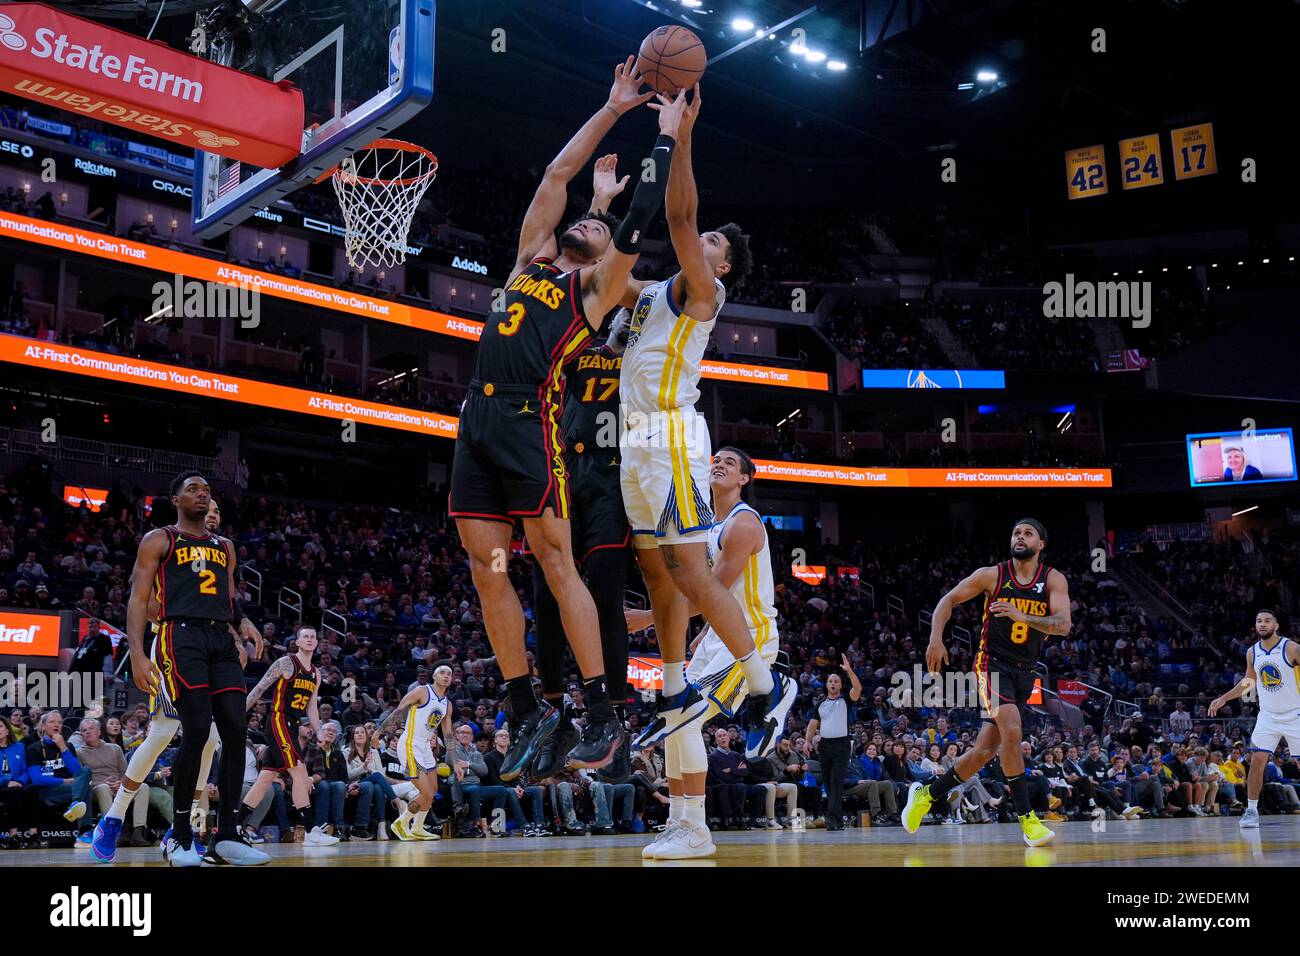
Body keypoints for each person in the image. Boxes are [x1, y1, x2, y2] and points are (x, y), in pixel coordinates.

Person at [448, 57, 671, 780]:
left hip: (527, 421)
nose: (581, 223)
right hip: (475, 422)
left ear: (607, 261)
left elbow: (634, 226)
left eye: (593, 228)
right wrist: (612, 108)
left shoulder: (594, 296)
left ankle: (605, 715)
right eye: (581, 223)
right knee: (488, 571)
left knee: (553, 559)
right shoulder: (525, 267)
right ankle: (529, 712)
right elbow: (553, 177)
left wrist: (662, 141)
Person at [615, 88, 788, 782]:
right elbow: (603, 279)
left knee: (686, 569)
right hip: (633, 439)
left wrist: (678, 134)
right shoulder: (659, 293)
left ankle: (765, 692)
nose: (700, 240)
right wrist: (601, 209)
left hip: (668, 434)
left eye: (711, 244)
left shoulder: (705, 293)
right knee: (658, 570)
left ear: (718, 267)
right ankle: (680, 680)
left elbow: (679, 213)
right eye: (704, 238)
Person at [627, 447, 795, 858]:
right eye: (715, 459)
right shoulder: (705, 525)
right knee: (673, 719)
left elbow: (713, 591)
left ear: (744, 479)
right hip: (716, 638)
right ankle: (680, 821)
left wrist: (650, 616)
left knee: (686, 717)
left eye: (731, 463)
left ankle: (696, 827)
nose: (718, 464)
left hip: (749, 639)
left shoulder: (743, 523)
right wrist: (701, 635)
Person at [529, 161, 636, 782]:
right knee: (546, 590)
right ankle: (549, 712)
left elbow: (620, 269)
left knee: (603, 589)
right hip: (563, 465)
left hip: (613, 476)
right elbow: (564, 255)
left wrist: (603, 212)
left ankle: (612, 718)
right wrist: (595, 203)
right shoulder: (570, 318)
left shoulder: (637, 337)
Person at [904, 519, 1071, 846]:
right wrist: (936, 638)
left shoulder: (1053, 579)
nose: (1019, 537)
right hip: (992, 665)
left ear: (1041, 544)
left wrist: (1023, 616)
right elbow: (947, 600)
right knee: (1012, 730)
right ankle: (1028, 820)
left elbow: (1063, 625)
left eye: (1027, 533)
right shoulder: (992, 575)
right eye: (1016, 533)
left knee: (982, 753)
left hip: (1026, 670)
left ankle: (926, 794)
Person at [126, 474, 265, 866]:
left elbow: (226, 594)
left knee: (236, 731)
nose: (202, 494)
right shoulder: (159, 539)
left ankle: (227, 836)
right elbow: (138, 601)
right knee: (198, 728)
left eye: (206, 490)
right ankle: (180, 835)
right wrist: (138, 652)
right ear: (175, 499)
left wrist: (242, 622)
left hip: (220, 638)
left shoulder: (226, 546)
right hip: (179, 635)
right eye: (193, 489)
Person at [92, 498, 229, 865]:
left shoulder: (220, 556)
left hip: (208, 650)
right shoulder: (167, 546)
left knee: (210, 739)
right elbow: (145, 603)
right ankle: (113, 817)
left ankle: (186, 828)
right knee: (163, 734)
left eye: (218, 512)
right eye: (208, 510)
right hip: (171, 647)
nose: (212, 515)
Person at [238, 626, 329, 845]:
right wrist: (238, 711)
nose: (309, 639)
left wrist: (318, 731)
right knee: (298, 771)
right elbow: (260, 688)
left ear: (316, 643)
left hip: (294, 724)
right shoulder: (286, 662)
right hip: (278, 720)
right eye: (305, 636)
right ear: (297, 642)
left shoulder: (316, 674)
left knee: (265, 779)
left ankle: (236, 826)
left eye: (312, 637)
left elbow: (312, 709)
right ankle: (310, 831)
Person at [1209, 609, 1300, 828]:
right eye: (1259, 620)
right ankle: (1251, 811)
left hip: (1295, 714)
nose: (1262, 624)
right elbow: (1248, 682)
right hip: (1267, 716)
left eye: (1267, 621)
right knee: (1257, 759)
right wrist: (1223, 698)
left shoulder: (1292, 648)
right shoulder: (1252, 652)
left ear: (1276, 625)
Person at [380, 663, 452, 841]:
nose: (446, 676)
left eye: (449, 673)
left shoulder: (447, 704)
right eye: (442, 672)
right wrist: (378, 732)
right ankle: (401, 823)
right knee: (426, 792)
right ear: (434, 676)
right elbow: (399, 711)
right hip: (410, 743)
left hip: (426, 746)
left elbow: (449, 734)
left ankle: (418, 827)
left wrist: (456, 761)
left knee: (433, 790)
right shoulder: (422, 691)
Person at [804, 658, 863, 831]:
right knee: (829, 785)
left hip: (841, 746)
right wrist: (807, 741)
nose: (833, 682)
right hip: (825, 746)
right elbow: (813, 724)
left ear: (840, 685)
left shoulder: (846, 700)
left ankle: (833, 819)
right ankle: (834, 818)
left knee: (836, 782)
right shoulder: (820, 704)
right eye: (830, 680)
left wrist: (849, 670)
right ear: (827, 685)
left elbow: (858, 688)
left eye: (836, 680)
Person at [77, 718, 151, 847]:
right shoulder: (79, 752)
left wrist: (121, 783)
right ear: (81, 735)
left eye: (91, 729)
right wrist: (98, 782)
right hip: (96, 787)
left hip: (119, 784)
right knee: (104, 788)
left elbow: (125, 771)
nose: (87, 732)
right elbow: (81, 779)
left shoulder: (114, 748)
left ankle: (139, 832)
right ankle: (112, 830)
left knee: (143, 787)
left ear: (99, 731)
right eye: (84, 730)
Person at [26, 711, 91, 829]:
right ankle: (84, 831)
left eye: (59, 722)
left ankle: (75, 802)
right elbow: (36, 779)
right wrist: (64, 781)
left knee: (86, 770)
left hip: (70, 789)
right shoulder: (33, 748)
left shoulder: (68, 746)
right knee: (86, 788)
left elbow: (76, 771)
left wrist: (63, 748)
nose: (56, 725)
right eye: (52, 722)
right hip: (46, 791)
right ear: (44, 726)